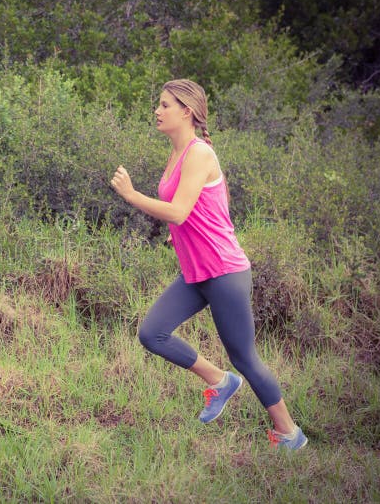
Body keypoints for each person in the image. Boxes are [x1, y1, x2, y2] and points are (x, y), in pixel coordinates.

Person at [110, 79, 308, 450]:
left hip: (224, 272)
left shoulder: (199, 153)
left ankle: (289, 434)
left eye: (165, 105)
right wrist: (182, 235)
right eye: (159, 104)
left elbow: (178, 211)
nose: (157, 110)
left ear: (186, 111)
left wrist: (132, 195)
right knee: (152, 333)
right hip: (196, 271)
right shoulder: (177, 152)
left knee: (244, 357)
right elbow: (206, 205)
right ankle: (219, 381)